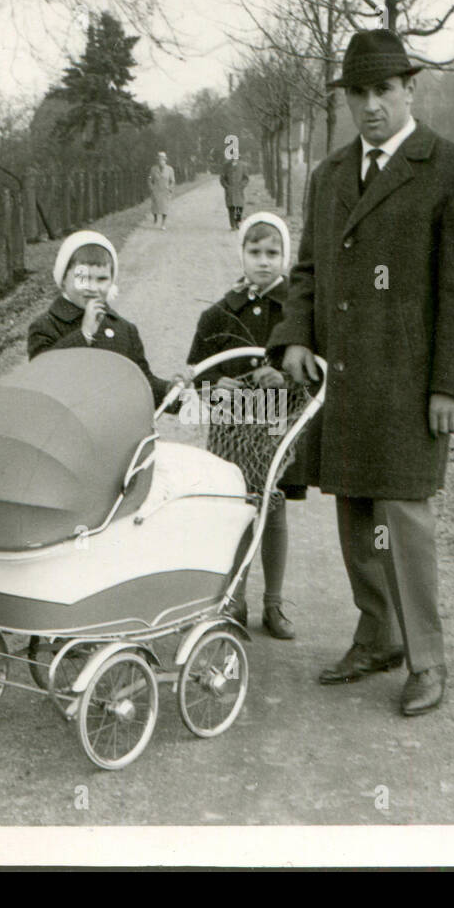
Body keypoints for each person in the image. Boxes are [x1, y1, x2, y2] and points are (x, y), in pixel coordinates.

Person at [268, 29, 454, 717]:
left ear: (410, 91)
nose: (370, 105)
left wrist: (452, 387)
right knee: (354, 510)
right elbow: (307, 271)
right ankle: (378, 635)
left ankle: (427, 659)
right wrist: (293, 338)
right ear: (344, 99)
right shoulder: (330, 175)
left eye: (383, 91)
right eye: (357, 93)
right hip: (341, 380)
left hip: (409, 385)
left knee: (403, 517)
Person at [187, 212, 303, 639]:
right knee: (237, 509)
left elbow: (314, 368)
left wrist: (286, 377)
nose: (264, 261)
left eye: (273, 253)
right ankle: (234, 598)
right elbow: (199, 373)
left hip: (277, 423)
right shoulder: (219, 313)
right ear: (242, 255)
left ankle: (274, 604)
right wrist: (217, 383)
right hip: (233, 427)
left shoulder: (296, 312)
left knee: (273, 508)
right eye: (255, 252)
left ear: (285, 257)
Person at [28, 230, 177, 409]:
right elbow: (42, 376)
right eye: (82, 278)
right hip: (69, 426)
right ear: (63, 279)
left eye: (102, 279)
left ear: (111, 282)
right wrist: (84, 335)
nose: (92, 288)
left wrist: (173, 392)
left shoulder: (124, 329)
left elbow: (142, 383)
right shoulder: (46, 326)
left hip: (116, 427)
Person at [219, 157, 250, 230]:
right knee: (231, 208)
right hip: (230, 190)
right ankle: (232, 225)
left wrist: (241, 186)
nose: (234, 157)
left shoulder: (242, 165)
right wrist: (226, 186)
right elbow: (222, 178)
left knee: (239, 207)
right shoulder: (226, 165)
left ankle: (238, 223)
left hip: (239, 190)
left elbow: (246, 178)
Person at [148, 151, 175, 229]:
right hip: (156, 190)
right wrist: (151, 188)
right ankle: (155, 218)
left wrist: (170, 188)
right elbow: (149, 179)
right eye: (160, 159)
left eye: (163, 159)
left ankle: (163, 224)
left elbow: (172, 180)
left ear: (165, 160)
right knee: (155, 207)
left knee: (165, 208)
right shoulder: (153, 169)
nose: (161, 161)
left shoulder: (170, 169)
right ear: (157, 160)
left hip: (165, 190)